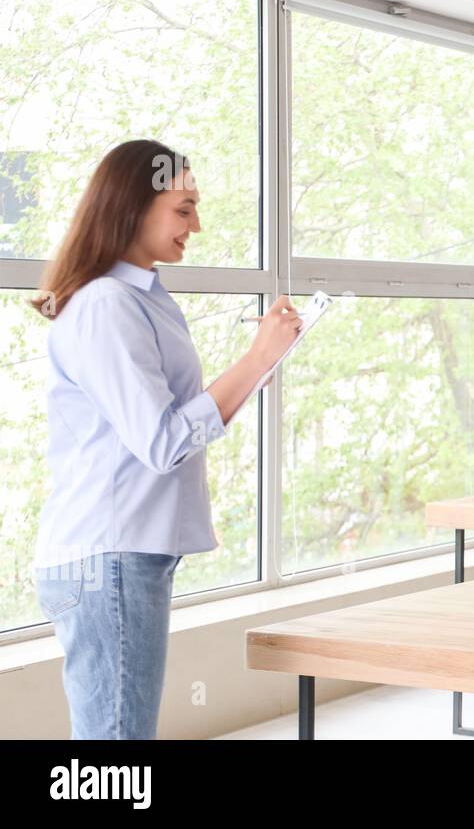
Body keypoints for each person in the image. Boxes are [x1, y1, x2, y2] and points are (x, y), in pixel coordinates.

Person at [31, 139, 302, 739]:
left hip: (120, 554)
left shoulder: (135, 297)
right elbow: (163, 442)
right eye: (184, 209)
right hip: (109, 555)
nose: (196, 226)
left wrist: (263, 361)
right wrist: (256, 357)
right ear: (132, 207)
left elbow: (180, 425)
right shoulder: (107, 305)